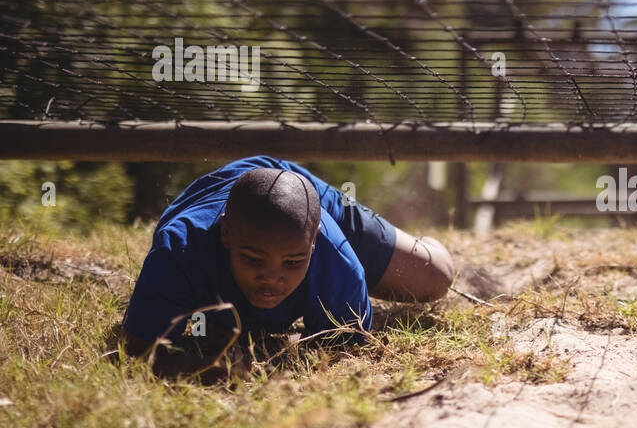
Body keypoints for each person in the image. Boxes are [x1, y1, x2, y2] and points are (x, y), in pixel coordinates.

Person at [121, 156, 454, 377]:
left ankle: (416, 241)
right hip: (247, 198)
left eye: (293, 263)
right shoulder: (179, 249)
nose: (272, 277)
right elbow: (139, 345)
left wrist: (277, 352)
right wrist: (207, 365)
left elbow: (340, 349)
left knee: (434, 277)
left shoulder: (334, 257)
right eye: (254, 259)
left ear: (314, 244)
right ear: (226, 234)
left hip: (301, 194)